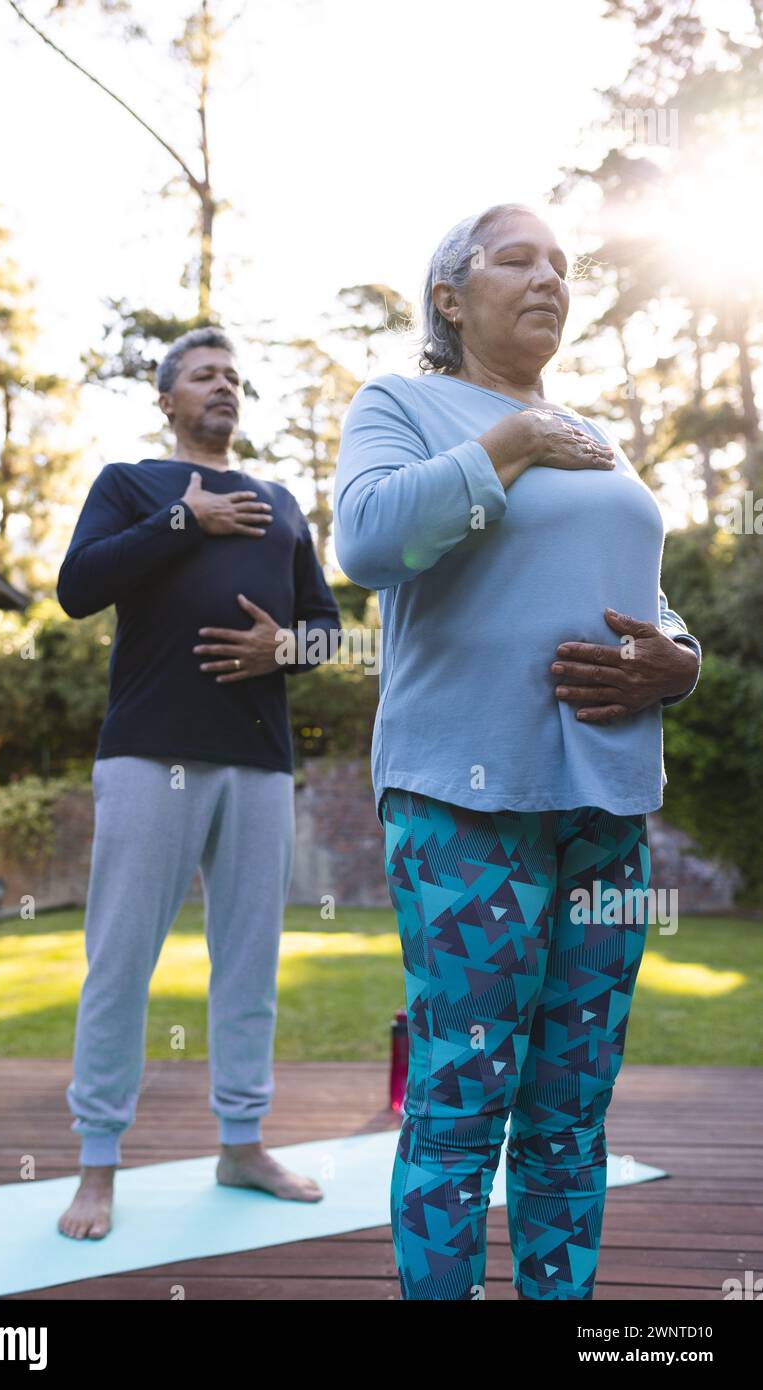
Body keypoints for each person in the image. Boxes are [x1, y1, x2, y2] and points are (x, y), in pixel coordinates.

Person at [332, 204, 702, 1301]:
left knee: (572, 1111)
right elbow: (367, 540)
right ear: (450, 295)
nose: (550, 278)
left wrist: (681, 661)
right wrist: (511, 441)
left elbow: (655, 601)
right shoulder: (401, 403)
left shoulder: (595, 434)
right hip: (464, 804)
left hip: (607, 807)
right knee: (459, 1106)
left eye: (562, 264)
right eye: (517, 259)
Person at [56, 327, 340, 1239]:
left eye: (233, 377)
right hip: (148, 753)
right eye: (204, 376)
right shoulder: (131, 485)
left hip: (258, 762)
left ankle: (241, 1143)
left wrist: (280, 647)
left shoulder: (284, 503)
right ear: (168, 399)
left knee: (248, 962)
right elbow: (75, 587)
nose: (224, 387)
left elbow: (328, 629)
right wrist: (185, 518)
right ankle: (97, 1164)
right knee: (121, 960)